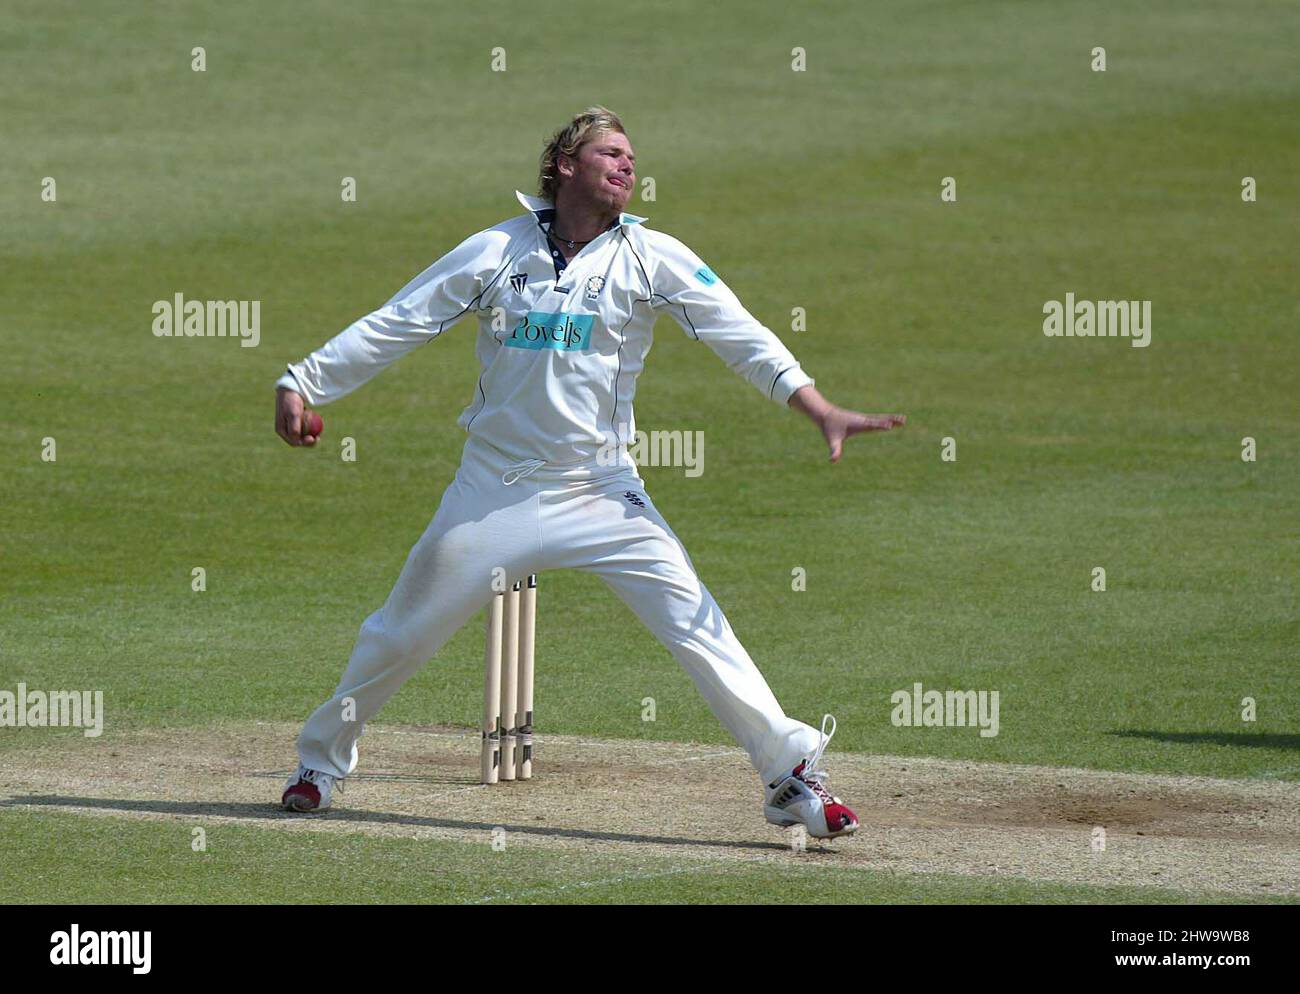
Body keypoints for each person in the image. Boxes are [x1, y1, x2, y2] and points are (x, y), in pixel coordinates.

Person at [274, 106, 905, 838]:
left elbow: (741, 333)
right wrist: (304, 381)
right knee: (400, 634)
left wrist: (816, 405)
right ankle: (320, 762)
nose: (628, 166)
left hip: (603, 491)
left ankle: (790, 776)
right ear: (565, 166)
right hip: (494, 489)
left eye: (632, 157)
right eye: (611, 153)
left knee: (697, 622)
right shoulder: (494, 251)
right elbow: (401, 319)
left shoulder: (653, 256)